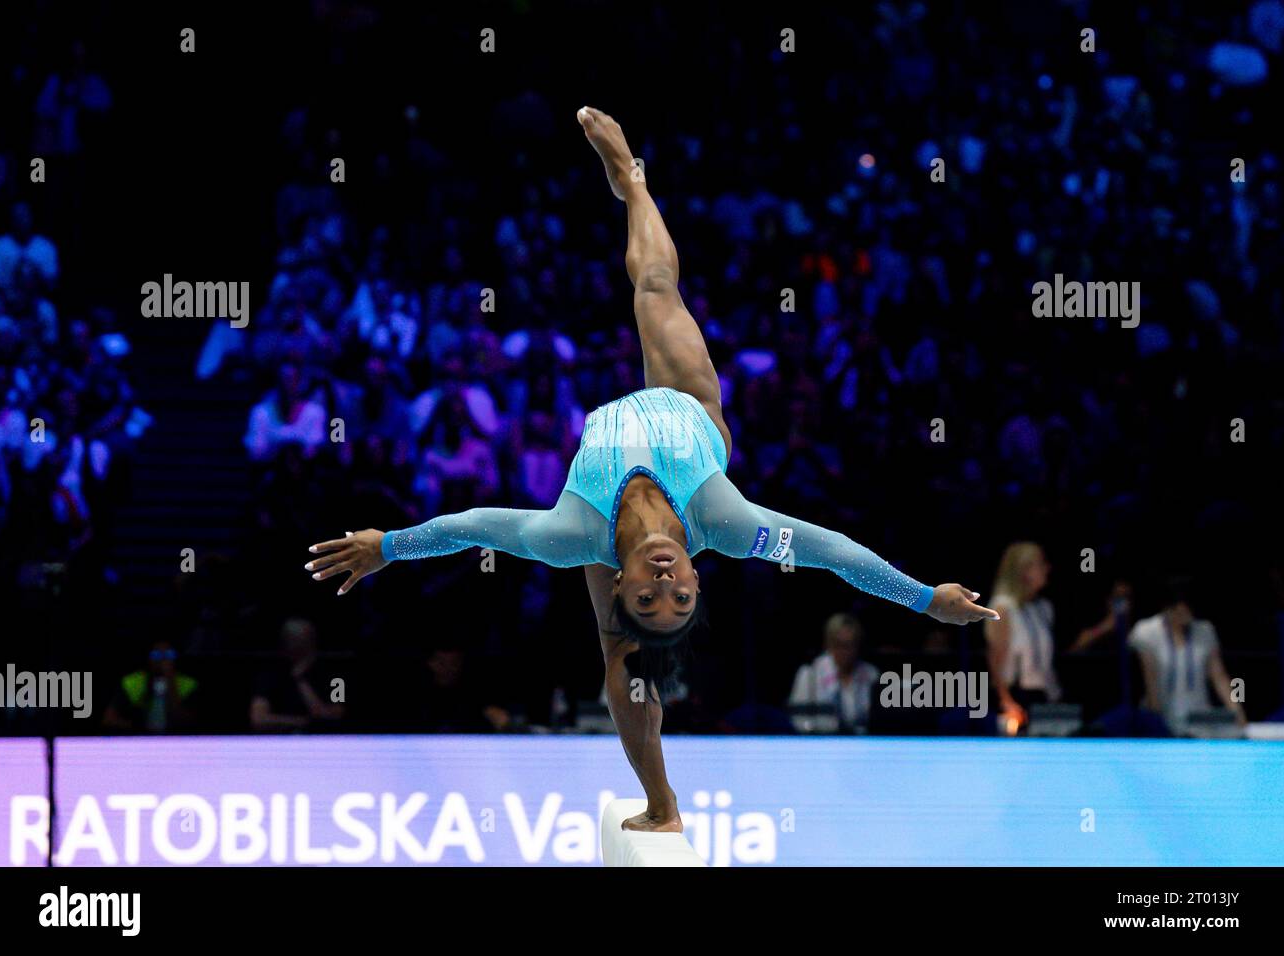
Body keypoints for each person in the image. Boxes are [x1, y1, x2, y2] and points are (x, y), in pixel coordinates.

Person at [305, 108, 997, 829]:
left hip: (607, 509)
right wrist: (923, 598)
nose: (664, 585)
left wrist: (386, 545)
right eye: (679, 596)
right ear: (699, 578)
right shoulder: (727, 524)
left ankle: (659, 800)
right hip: (686, 405)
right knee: (657, 286)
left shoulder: (571, 536)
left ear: (625, 588)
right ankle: (633, 179)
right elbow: (833, 553)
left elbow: (473, 525)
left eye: (648, 599)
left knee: (622, 662)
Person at [1128, 578, 1246, 735]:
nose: (1185, 615)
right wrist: (1157, 722)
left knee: (1234, 733)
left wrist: (1236, 710)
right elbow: (1150, 680)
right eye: (1179, 610)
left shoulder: (1205, 631)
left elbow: (1219, 677)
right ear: (1167, 607)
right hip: (1162, 714)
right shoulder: (1146, 631)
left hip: (1198, 716)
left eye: (1189, 610)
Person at [984, 542, 1059, 731]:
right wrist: (1006, 701)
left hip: (1044, 696)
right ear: (1023, 570)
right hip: (1015, 695)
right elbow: (995, 660)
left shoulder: (1043, 608)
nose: (1047, 569)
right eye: (1040, 564)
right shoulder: (1003, 607)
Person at [249, 617, 346, 733]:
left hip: (324, 740)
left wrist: (301, 680)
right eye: (293, 640)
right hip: (282, 741)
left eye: (304, 641)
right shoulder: (269, 675)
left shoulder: (336, 677)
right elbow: (258, 719)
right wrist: (302, 722)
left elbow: (335, 715)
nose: (298, 646)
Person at [789, 612, 881, 734]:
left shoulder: (871, 675)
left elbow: (877, 720)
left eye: (850, 645)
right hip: (819, 743)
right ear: (829, 644)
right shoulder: (810, 674)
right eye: (839, 645)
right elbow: (797, 719)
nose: (845, 652)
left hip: (861, 743)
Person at [102, 641, 198, 734]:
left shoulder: (189, 684)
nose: (162, 660)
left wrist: (170, 680)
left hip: (177, 740)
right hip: (140, 741)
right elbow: (109, 719)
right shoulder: (133, 682)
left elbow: (187, 721)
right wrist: (137, 729)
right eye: (156, 655)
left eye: (169, 655)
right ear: (148, 658)